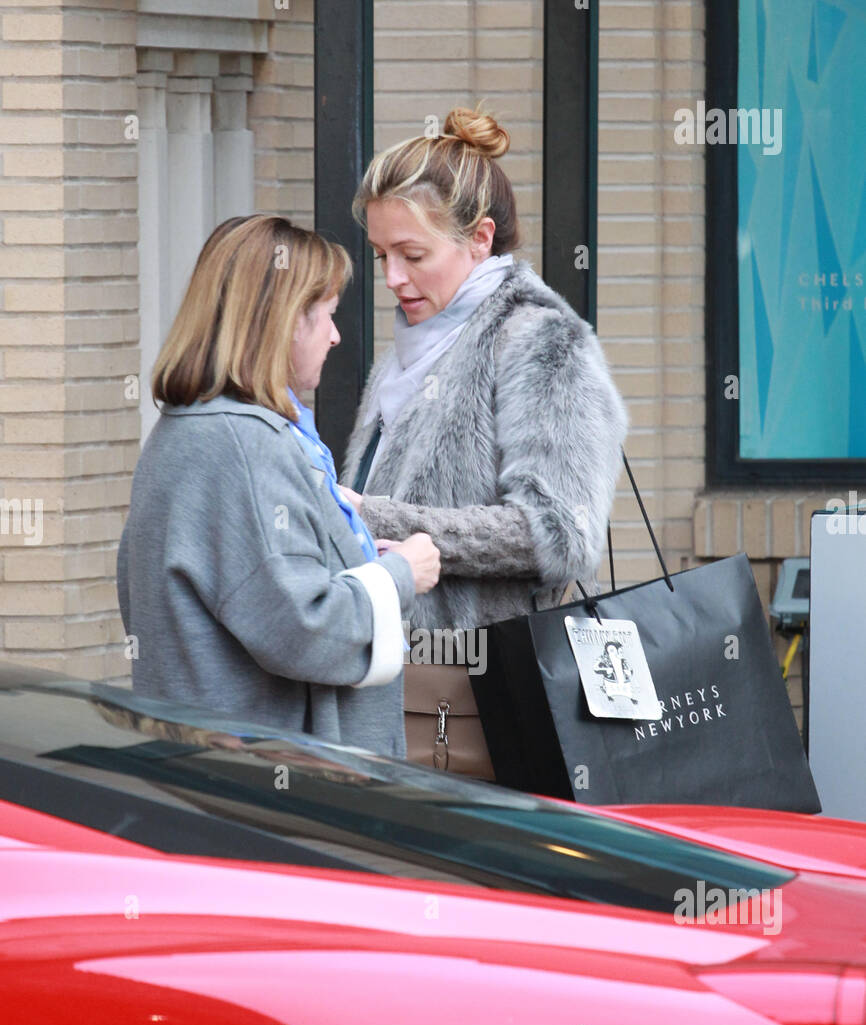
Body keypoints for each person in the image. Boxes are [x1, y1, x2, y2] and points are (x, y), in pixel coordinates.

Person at [340, 107, 628, 776]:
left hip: (482, 704)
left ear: (480, 238)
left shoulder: (541, 341)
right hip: (399, 688)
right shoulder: (410, 353)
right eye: (382, 255)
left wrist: (375, 518)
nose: (392, 279)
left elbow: (562, 532)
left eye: (413, 255)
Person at [116, 214, 440, 758]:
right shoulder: (245, 445)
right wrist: (400, 575)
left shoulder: (190, 430)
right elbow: (303, 628)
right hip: (276, 792)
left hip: (215, 775)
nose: (337, 336)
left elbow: (253, 592)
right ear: (287, 320)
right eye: (328, 316)